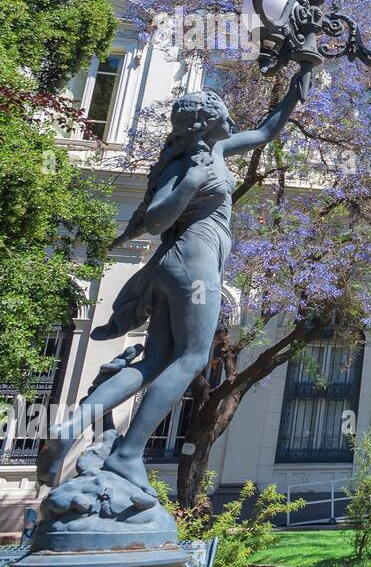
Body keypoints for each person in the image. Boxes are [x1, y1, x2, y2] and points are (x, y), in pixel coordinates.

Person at [37, 65, 314, 496]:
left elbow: (264, 133)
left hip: (180, 265)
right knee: (191, 358)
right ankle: (128, 454)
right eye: (223, 110)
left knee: (154, 361)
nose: (231, 116)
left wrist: (296, 92)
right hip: (194, 264)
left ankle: (72, 425)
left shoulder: (216, 151)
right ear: (205, 123)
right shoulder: (189, 166)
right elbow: (156, 219)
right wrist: (191, 183)